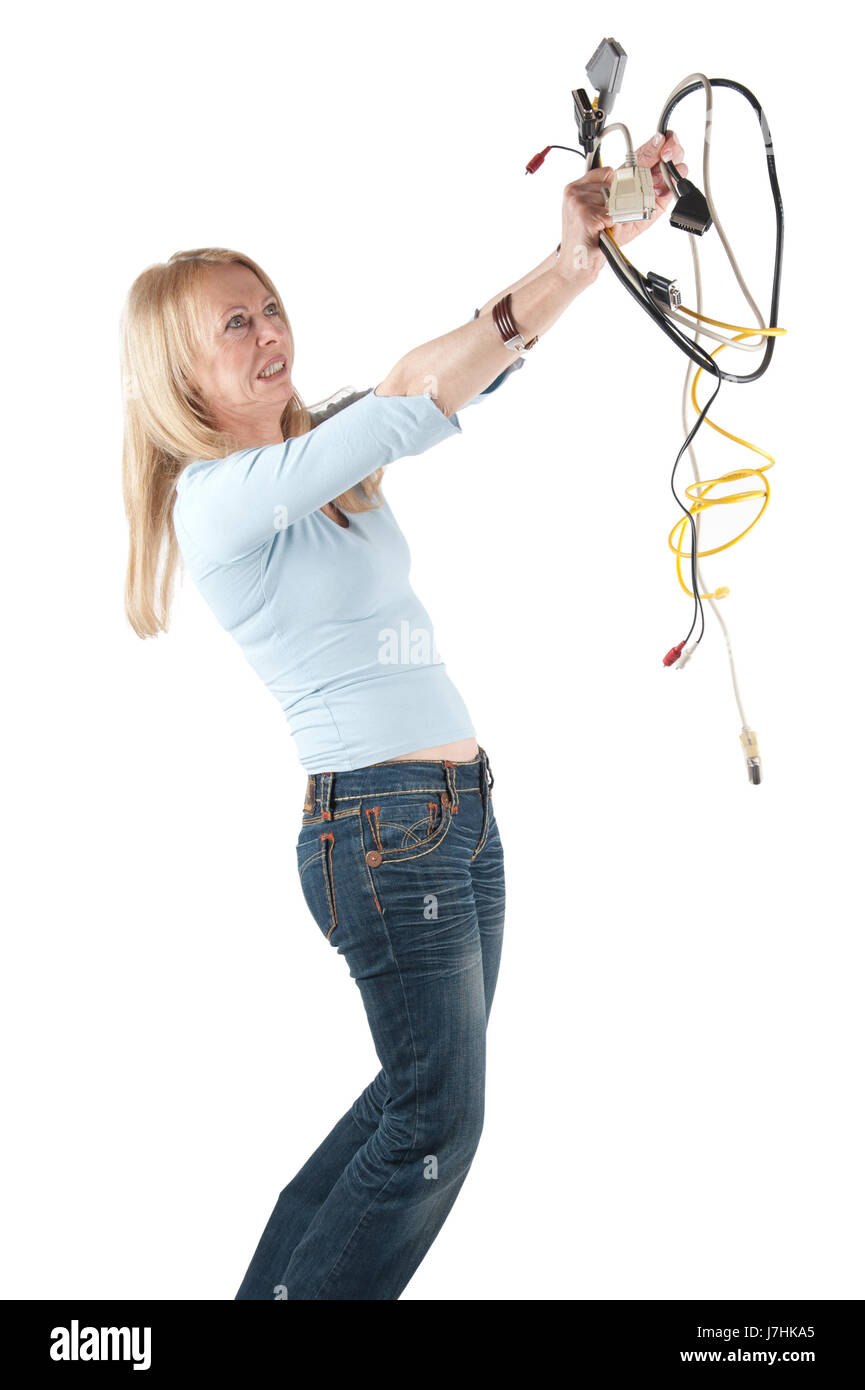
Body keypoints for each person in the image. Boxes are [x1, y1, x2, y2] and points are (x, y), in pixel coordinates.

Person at [120, 129, 685, 1300]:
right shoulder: (220, 500)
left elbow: (427, 377)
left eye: (270, 308)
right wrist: (552, 276)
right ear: (180, 372)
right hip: (380, 832)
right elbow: (402, 400)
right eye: (236, 324)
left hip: (455, 817)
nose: (270, 332)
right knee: (437, 1117)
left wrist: (579, 261)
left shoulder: (317, 467)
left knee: (412, 1098)